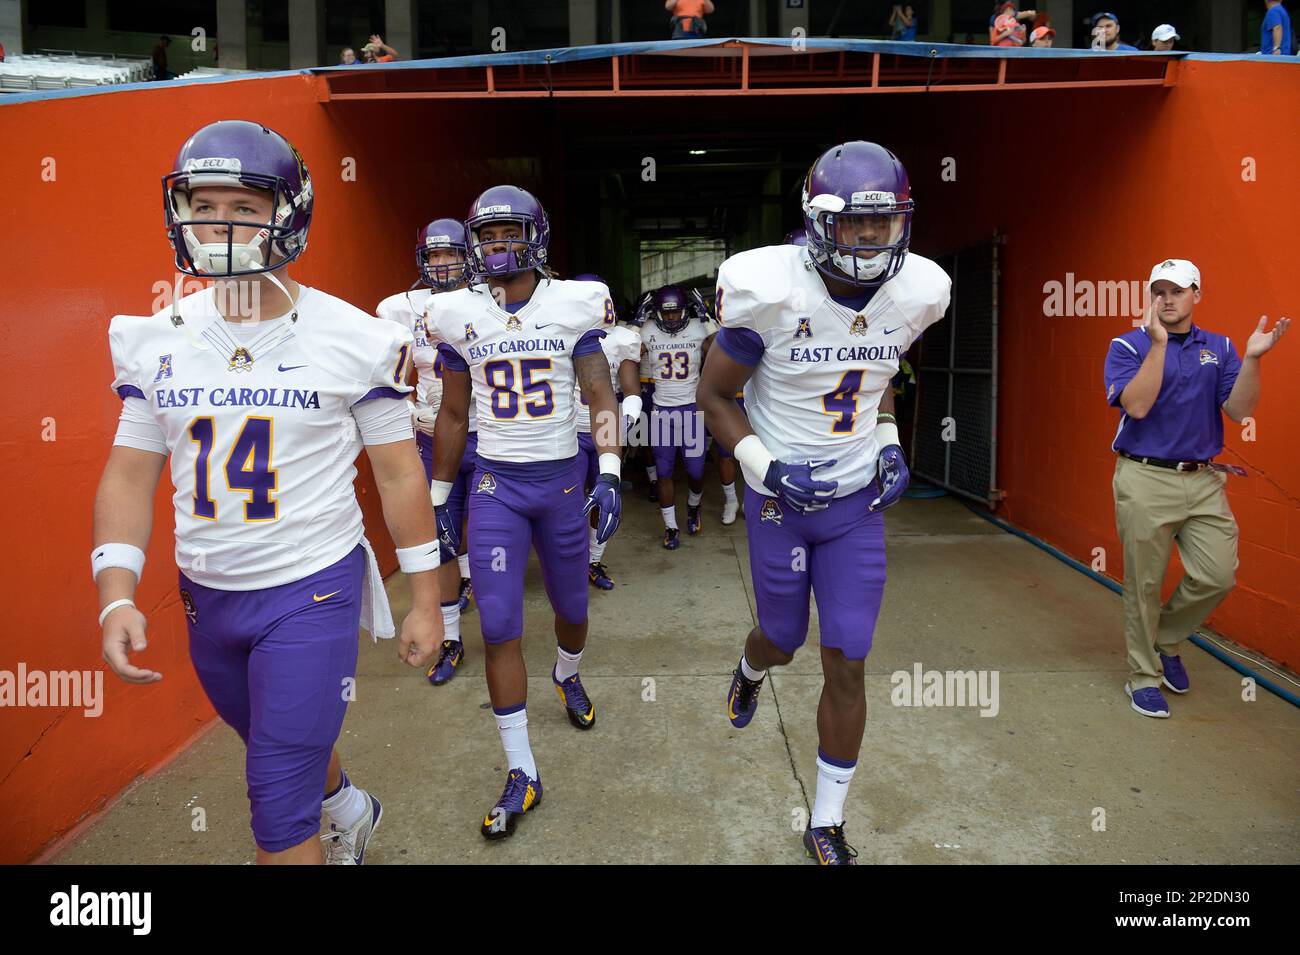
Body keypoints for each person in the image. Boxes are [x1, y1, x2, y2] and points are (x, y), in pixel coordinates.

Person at [93, 120, 444, 864]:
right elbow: (131, 469)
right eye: (203, 203)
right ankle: (349, 806)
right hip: (207, 593)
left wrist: (426, 595)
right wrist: (116, 590)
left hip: (310, 589)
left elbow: (397, 470)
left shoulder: (352, 337)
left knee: (276, 809)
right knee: (275, 736)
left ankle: (320, 825)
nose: (219, 225)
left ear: (289, 216)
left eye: (244, 208)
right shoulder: (156, 336)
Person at [699, 141, 951, 864]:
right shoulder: (769, 289)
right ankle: (748, 672)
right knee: (782, 639)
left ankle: (828, 818)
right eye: (854, 224)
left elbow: (873, 384)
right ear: (817, 223)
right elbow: (713, 394)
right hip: (779, 498)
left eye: (884, 222)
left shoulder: (917, 293)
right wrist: (765, 467)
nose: (871, 238)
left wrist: (890, 441)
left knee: (848, 658)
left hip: (853, 502)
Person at [425, 185, 623, 840]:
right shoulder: (458, 315)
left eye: (507, 232)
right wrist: (436, 495)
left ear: (535, 235)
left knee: (571, 607)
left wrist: (614, 469)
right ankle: (522, 770)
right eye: (484, 235)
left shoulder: (573, 303)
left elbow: (599, 389)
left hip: (563, 481)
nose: (495, 246)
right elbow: (454, 414)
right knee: (501, 622)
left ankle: (567, 673)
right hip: (497, 486)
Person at [1105, 260, 1288, 718]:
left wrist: (1251, 359)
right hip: (1145, 477)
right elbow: (1138, 406)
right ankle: (1144, 677)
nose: (1167, 299)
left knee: (1217, 574)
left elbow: (1239, 409)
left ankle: (1165, 639)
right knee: (1144, 584)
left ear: (1196, 295)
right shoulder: (1127, 344)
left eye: (1178, 291)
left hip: (1204, 479)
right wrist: (1159, 345)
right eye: (1159, 291)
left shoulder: (1222, 347)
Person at [376, 218, 477, 686]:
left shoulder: (490, 299)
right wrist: (413, 408)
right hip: (432, 436)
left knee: (487, 528)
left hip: (490, 434)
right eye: (434, 256)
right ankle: (452, 636)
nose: (442, 265)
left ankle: (479, 590)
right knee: (439, 536)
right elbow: (387, 379)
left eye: (451, 255)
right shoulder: (399, 309)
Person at [571, 274, 643, 590]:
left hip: (604, 431)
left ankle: (593, 560)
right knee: (570, 503)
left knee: (603, 499)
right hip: (568, 431)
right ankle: (571, 562)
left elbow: (632, 391)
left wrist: (625, 421)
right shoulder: (556, 334)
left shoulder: (620, 339)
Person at [642, 284, 716, 548]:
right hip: (662, 411)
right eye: (666, 313)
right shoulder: (648, 329)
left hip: (691, 410)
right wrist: (636, 322)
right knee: (663, 472)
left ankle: (693, 507)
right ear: (657, 313)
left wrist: (707, 319)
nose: (672, 318)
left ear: (685, 311)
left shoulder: (697, 326)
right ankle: (671, 527)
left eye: (676, 313)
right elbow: (624, 349)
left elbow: (720, 348)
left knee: (696, 471)